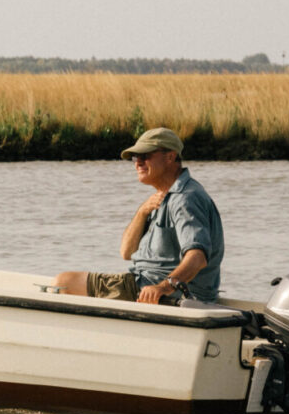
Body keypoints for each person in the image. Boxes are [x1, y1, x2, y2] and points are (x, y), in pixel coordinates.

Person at [54, 127, 223, 304]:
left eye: (146, 155)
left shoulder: (185, 198)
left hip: (166, 293)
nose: (138, 163)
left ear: (170, 157)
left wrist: (164, 287)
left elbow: (198, 257)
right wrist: (142, 212)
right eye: (135, 157)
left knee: (64, 283)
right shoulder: (162, 197)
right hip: (145, 283)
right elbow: (126, 252)